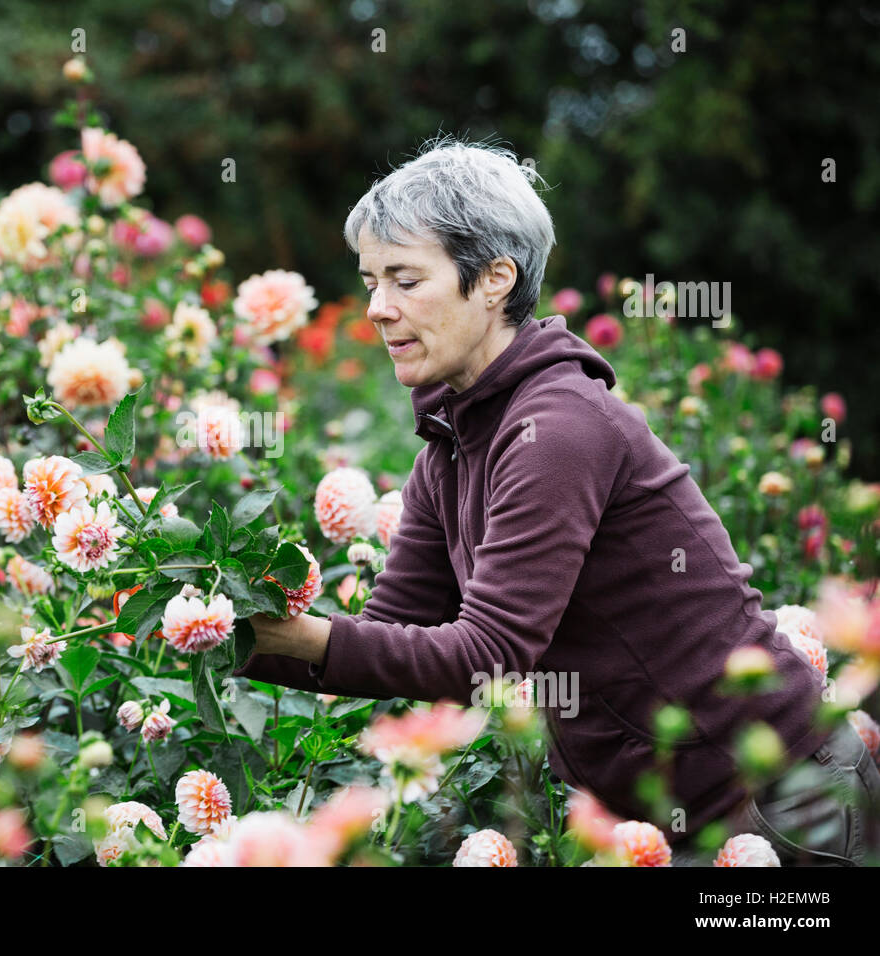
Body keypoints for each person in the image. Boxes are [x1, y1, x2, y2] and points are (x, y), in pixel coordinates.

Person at [232, 135, 880, 865]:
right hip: (664, 815)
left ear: (494, 281)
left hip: (776, 800)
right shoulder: (451, 444)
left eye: (406, 280)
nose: (378, 309)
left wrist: (295, 638)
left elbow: (489, 653)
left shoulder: (559, 428)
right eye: (371, 280)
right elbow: (390, 630)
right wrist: (208, 621)